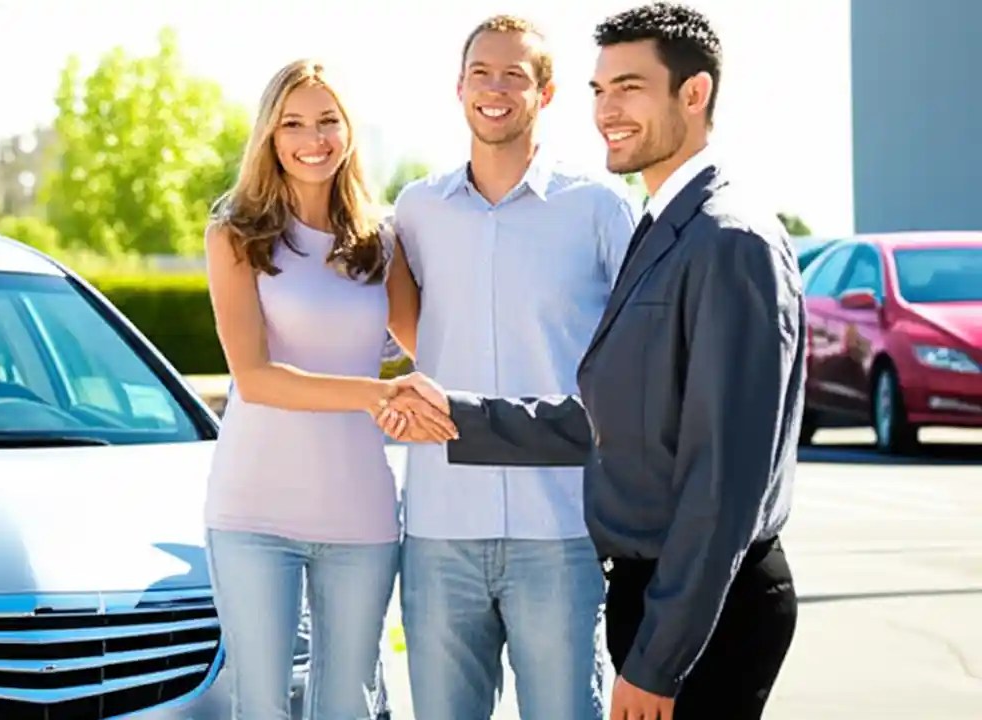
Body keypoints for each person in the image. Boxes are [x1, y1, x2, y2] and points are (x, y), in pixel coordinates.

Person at [384, 3, 805, 719]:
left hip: (692, 605)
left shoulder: (725, 239)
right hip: (646, 590)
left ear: (693, 93)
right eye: (602, 89)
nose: (609, 109)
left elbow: (723, 483)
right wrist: (455, 415)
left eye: (631, 87)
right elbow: (617, 417)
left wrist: (659, 658)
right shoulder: (668, 225)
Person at [383, 14, 638, 720]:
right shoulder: (417, 209)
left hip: (558, 528)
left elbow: (637, 354)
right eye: (482, 73)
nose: (495, 89)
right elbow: (413, 331)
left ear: (546, 94)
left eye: (515, 75)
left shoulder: (599, 207)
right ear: (459, 87)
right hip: (439, 529)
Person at [201, 58, 454, 720]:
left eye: (327, 121)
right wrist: (376, 396)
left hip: (360, 514)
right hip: (253, 512)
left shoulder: (380, 239)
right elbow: (254, 380)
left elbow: (433, 348)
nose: (313, 139)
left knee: (347, 705)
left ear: (348, 131)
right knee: (261, 706)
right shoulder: (236, 233)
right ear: (270, 136)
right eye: (293, 124)